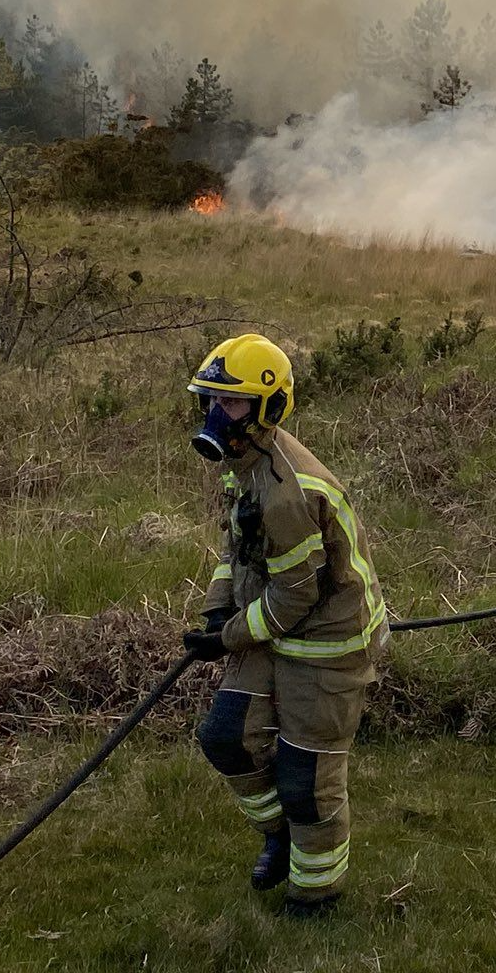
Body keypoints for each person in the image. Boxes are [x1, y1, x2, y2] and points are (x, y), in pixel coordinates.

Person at [184, 334, 387, 918]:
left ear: (267, 409)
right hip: (268, 625)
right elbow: (238, 549)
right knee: (227, 736)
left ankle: (314, 899)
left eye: (232, 404)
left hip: (326, 642)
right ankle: (280, 837)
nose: (216, 416)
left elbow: (297, 595)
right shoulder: (243, 466)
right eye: (212, 401)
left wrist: (227, 637)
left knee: (305, 778)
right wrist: (218, 608)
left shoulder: (287, 492)